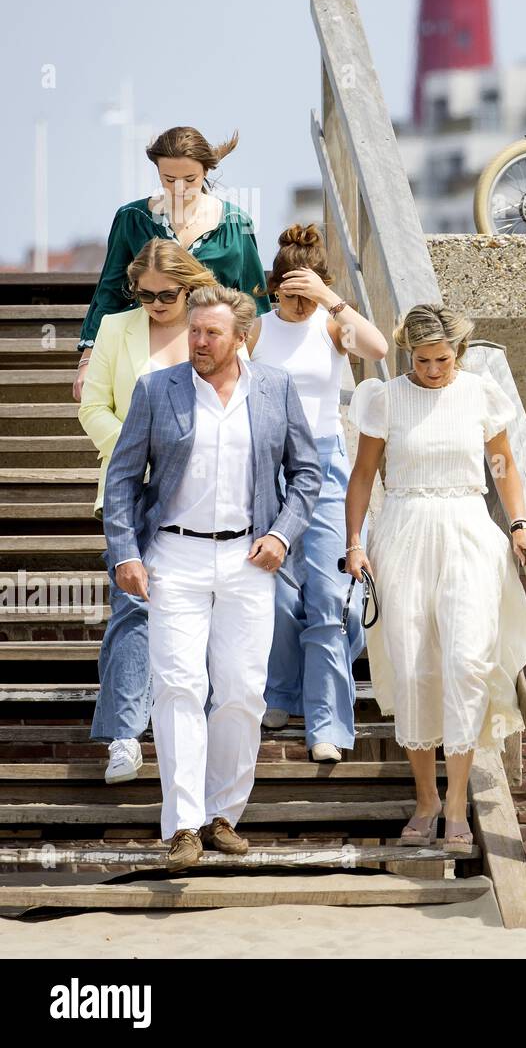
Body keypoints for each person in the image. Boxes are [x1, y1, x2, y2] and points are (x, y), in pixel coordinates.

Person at [102, 284, 321, 870]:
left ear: (241, 337)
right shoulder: (157, 389)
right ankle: (184, 826)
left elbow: (307, 475)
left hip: (250, 561)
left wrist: (281, 534)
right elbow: (121, 478)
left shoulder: (275, 389)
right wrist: (124, 552)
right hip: (173, 559)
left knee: (243, 690)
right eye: (194, 330)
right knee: (178, 688)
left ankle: (224, 814)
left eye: (211, 333)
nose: (198, 341)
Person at [345, 303, 526, 852]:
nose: (433, 369)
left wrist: (518, 524)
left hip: (467, 531)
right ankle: (426, 800)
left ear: (458, 354)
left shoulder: (479, 393)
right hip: (403, 534)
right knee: (415, 668)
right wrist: (354, 543)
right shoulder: (387, 397)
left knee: (465, 663)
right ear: (406, 353)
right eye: (422, 359)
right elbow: (364, 474)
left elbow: (504, 467)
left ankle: (459, 804)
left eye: (442, 359)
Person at [79, 240, 243, 785]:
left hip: (205, 494)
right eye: (142, 294)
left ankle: (197, 735)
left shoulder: (212, 330)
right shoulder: (115, 329)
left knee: (208, 616)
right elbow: (92, 405)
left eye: (165, 294)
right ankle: (125, 737)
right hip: (133, 487)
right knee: (133, 608)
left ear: (190, 285)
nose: (152, 303)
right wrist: (132, 451)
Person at [247, 224, 388, 763]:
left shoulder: (332, 328)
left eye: (309, 292)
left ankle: (327, 721)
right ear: (274, 287)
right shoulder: (257, 332)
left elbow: (377, 348)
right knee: (279, 592)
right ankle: (280, 693)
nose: (300, 304)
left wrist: (332, 300)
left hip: (325, 462)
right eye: (292, 293)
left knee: (329, 594)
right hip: (271, 464)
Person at [73, 126, 270, 401]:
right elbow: (109, 292)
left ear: (206, 172)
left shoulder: (237, 222)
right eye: (168, 179)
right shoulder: (132, 217)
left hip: (216, 347)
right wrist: (88, 360)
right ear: (157, 172)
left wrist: (246, 362)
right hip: (147, 348)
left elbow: (255, 299)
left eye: (190, 179)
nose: (179, 189)